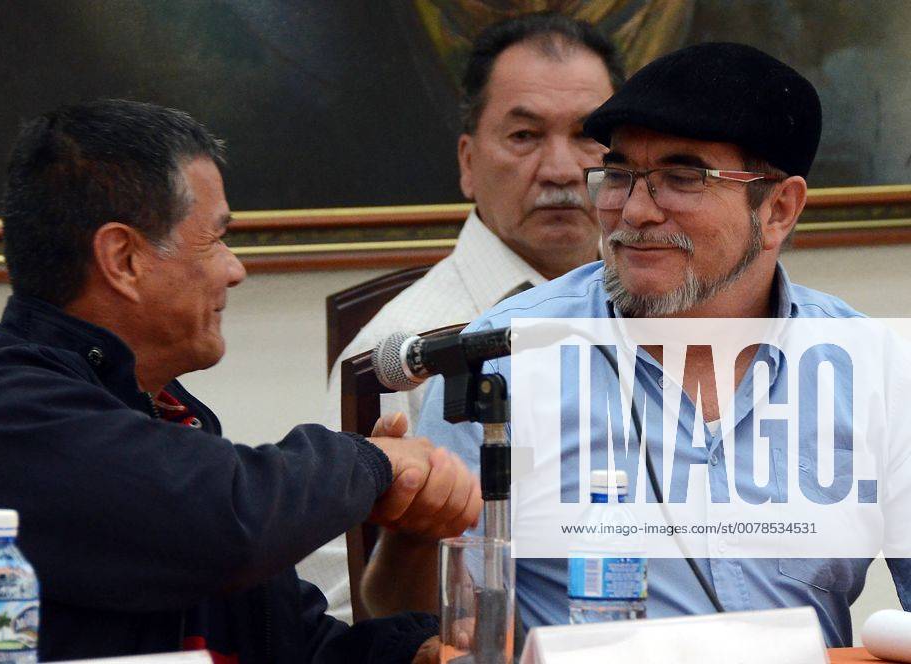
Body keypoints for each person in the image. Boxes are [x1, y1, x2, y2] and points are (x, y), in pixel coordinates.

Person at [366, 42, 911, 645]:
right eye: (621, 175)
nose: (637, 211)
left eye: (682, 178)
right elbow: (420, 628)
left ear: (779, 209)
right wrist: (412, 538)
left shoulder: (872, 369)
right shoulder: (506, 361)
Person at [0, 99, 482, 663]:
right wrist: (372, 461)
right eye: (215, 239)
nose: (235, 269)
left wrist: (419, 654)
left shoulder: (167, 414)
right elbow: (228, 519)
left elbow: (287, 643)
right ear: (123, 258)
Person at [312, 11, 624, 621]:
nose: (562, 169)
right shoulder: (399, 351)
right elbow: (341, 600)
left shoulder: (662, 309)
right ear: (467, 162)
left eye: (589, 137)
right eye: (525, 136)